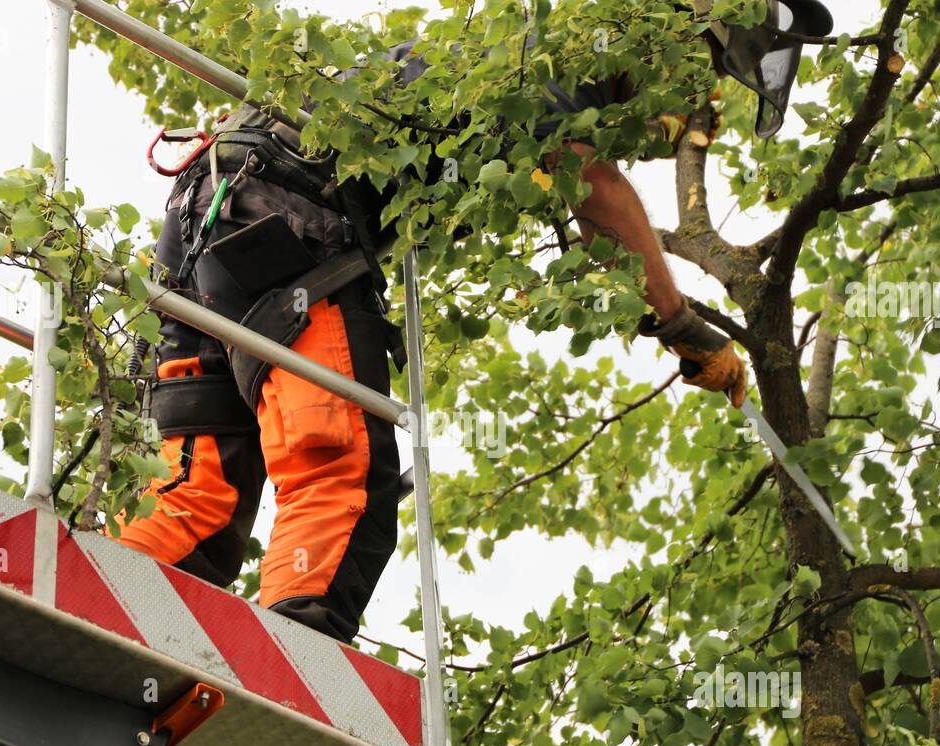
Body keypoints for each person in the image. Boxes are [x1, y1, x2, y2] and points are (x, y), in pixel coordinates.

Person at [116, 0, 832, 642]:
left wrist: (660, 310)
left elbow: (588, 203)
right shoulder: (569, 39)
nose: (694, 101)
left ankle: (94, 609)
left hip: (211, 210)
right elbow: (593, 184)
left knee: (201, 490)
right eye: (703, 70)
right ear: (671, 32)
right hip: (286, 214)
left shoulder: (507, 49)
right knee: (343, 472)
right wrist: (680, 324)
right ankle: (290, 687)